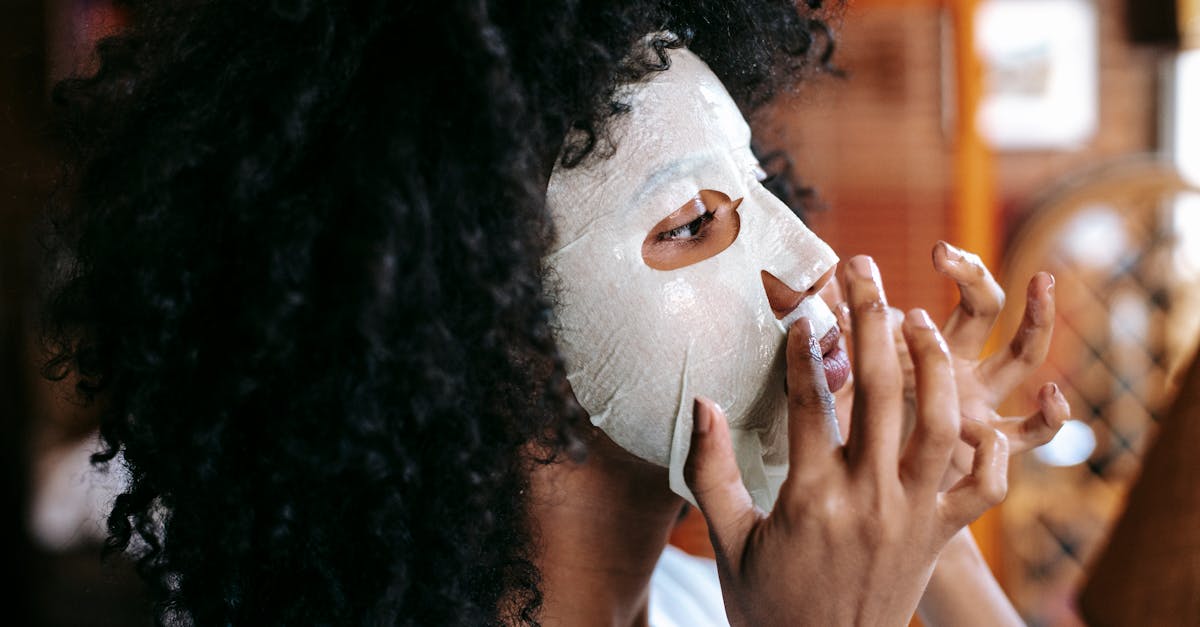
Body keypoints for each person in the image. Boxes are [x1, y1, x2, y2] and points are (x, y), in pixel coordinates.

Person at [41, 1, 1067, 625]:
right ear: (492, 347)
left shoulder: (708, 605)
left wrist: (933, 535)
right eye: (694, 222)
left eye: (760, 189)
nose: (813, 263)